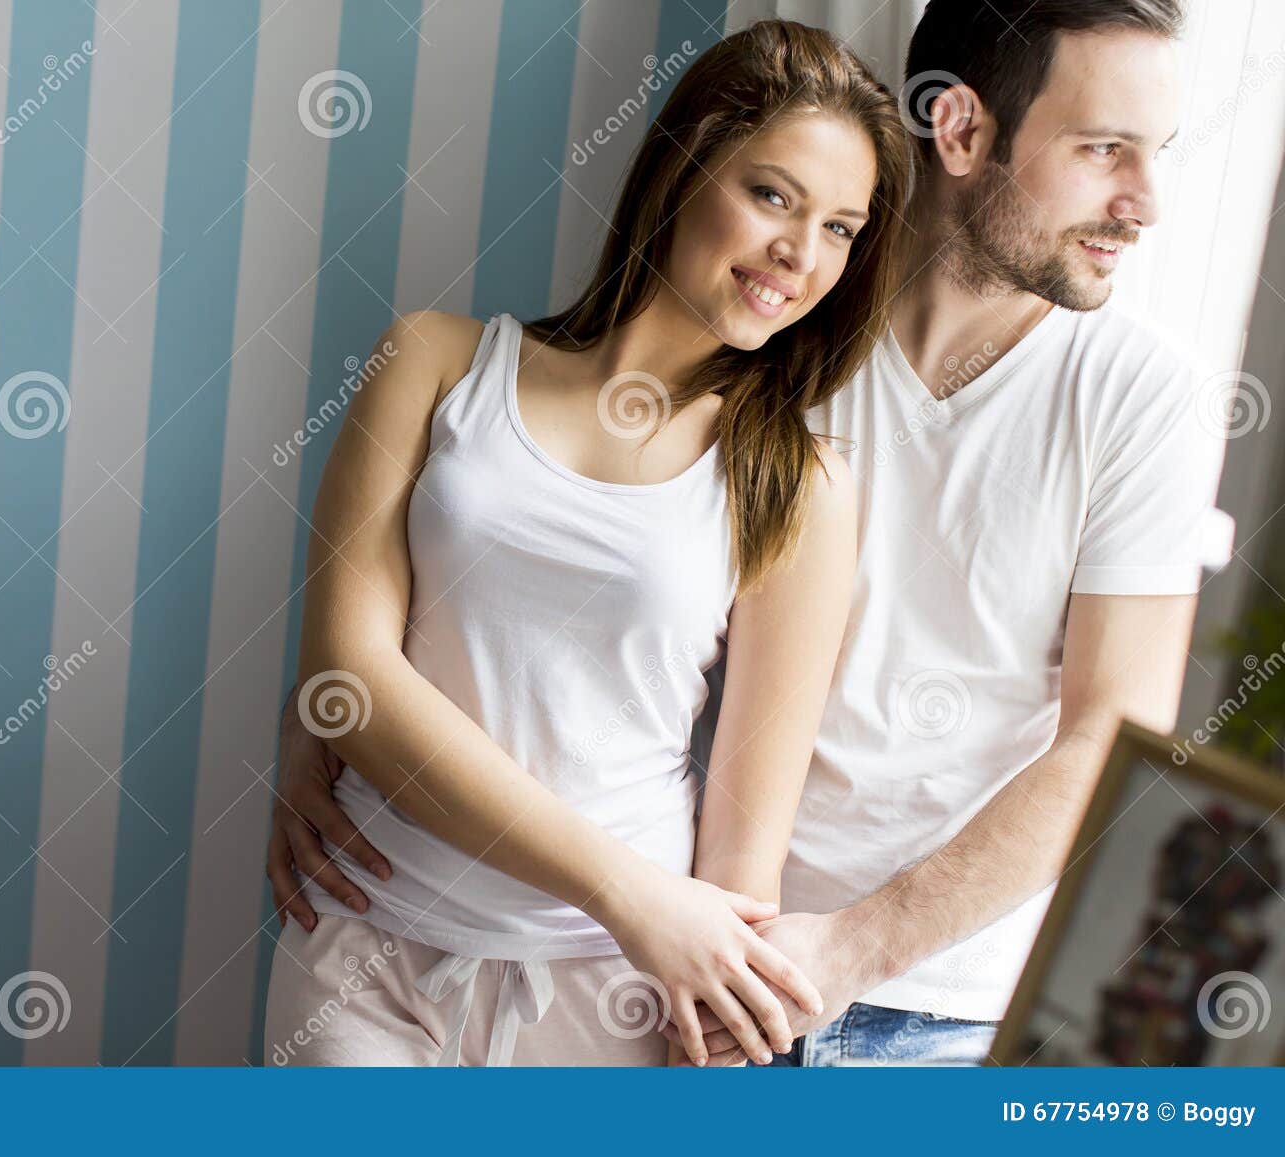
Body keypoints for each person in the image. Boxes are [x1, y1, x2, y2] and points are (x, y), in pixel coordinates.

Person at [270, 0, 1234, 1068]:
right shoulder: (778, 342)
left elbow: (1110, 736)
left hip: (898, 1000)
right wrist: (335, 725)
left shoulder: (1140, 400)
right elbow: (516, 565)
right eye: (1104, 149)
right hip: (678, 952)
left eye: (838, 226)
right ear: (960, 129)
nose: (1144, 202)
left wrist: (831, 955)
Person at [261, 20, 912, 1067]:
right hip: (369, 949)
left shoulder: (798, 484)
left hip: (615, 997)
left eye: (840, 227)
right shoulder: (434, 360)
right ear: (681, 168)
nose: (801, 254)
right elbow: (349, 674)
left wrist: (700, 1009)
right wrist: (628, 892)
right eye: (773, 195)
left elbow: (743, 847)